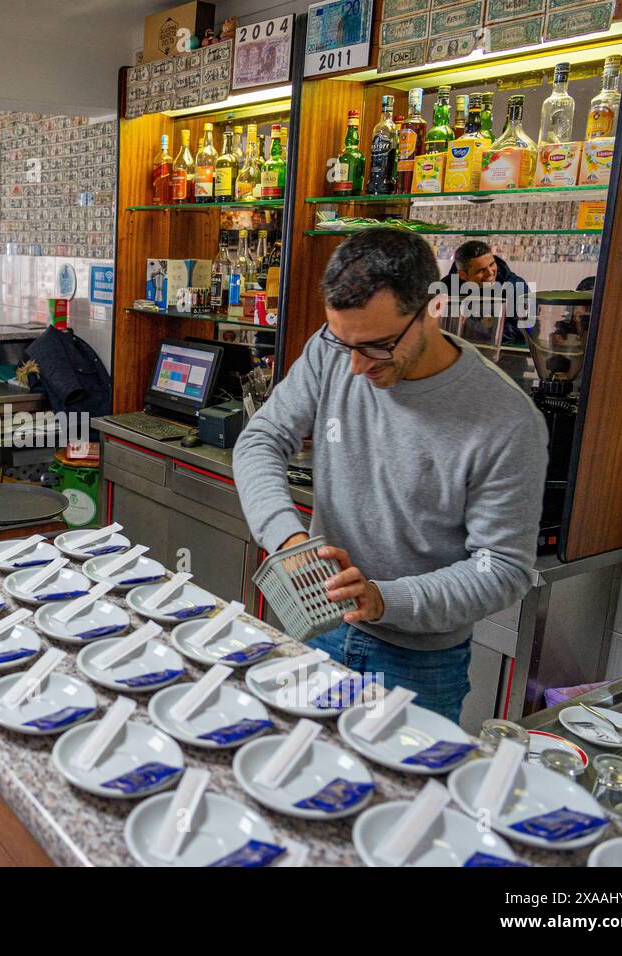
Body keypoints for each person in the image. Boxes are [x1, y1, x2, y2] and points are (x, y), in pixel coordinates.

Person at [233, 228, 548, 724]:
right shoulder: (334, 348)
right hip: (319, 628)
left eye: (378, 347)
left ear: (431, 308)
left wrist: (384, 599)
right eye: (345, 344)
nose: (356, 366)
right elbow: (260, 440)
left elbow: (502, 568)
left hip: (419, 663)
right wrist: (289, 539)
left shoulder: (506, 421)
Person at [438, 239, 530, 345]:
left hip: (506, 357)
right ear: (463, 275)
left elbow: (525, 331)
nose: (490, 273)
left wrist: (474, 328)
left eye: (492, 264)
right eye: (481, 271)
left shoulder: (515, 286)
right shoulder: (447, 286)